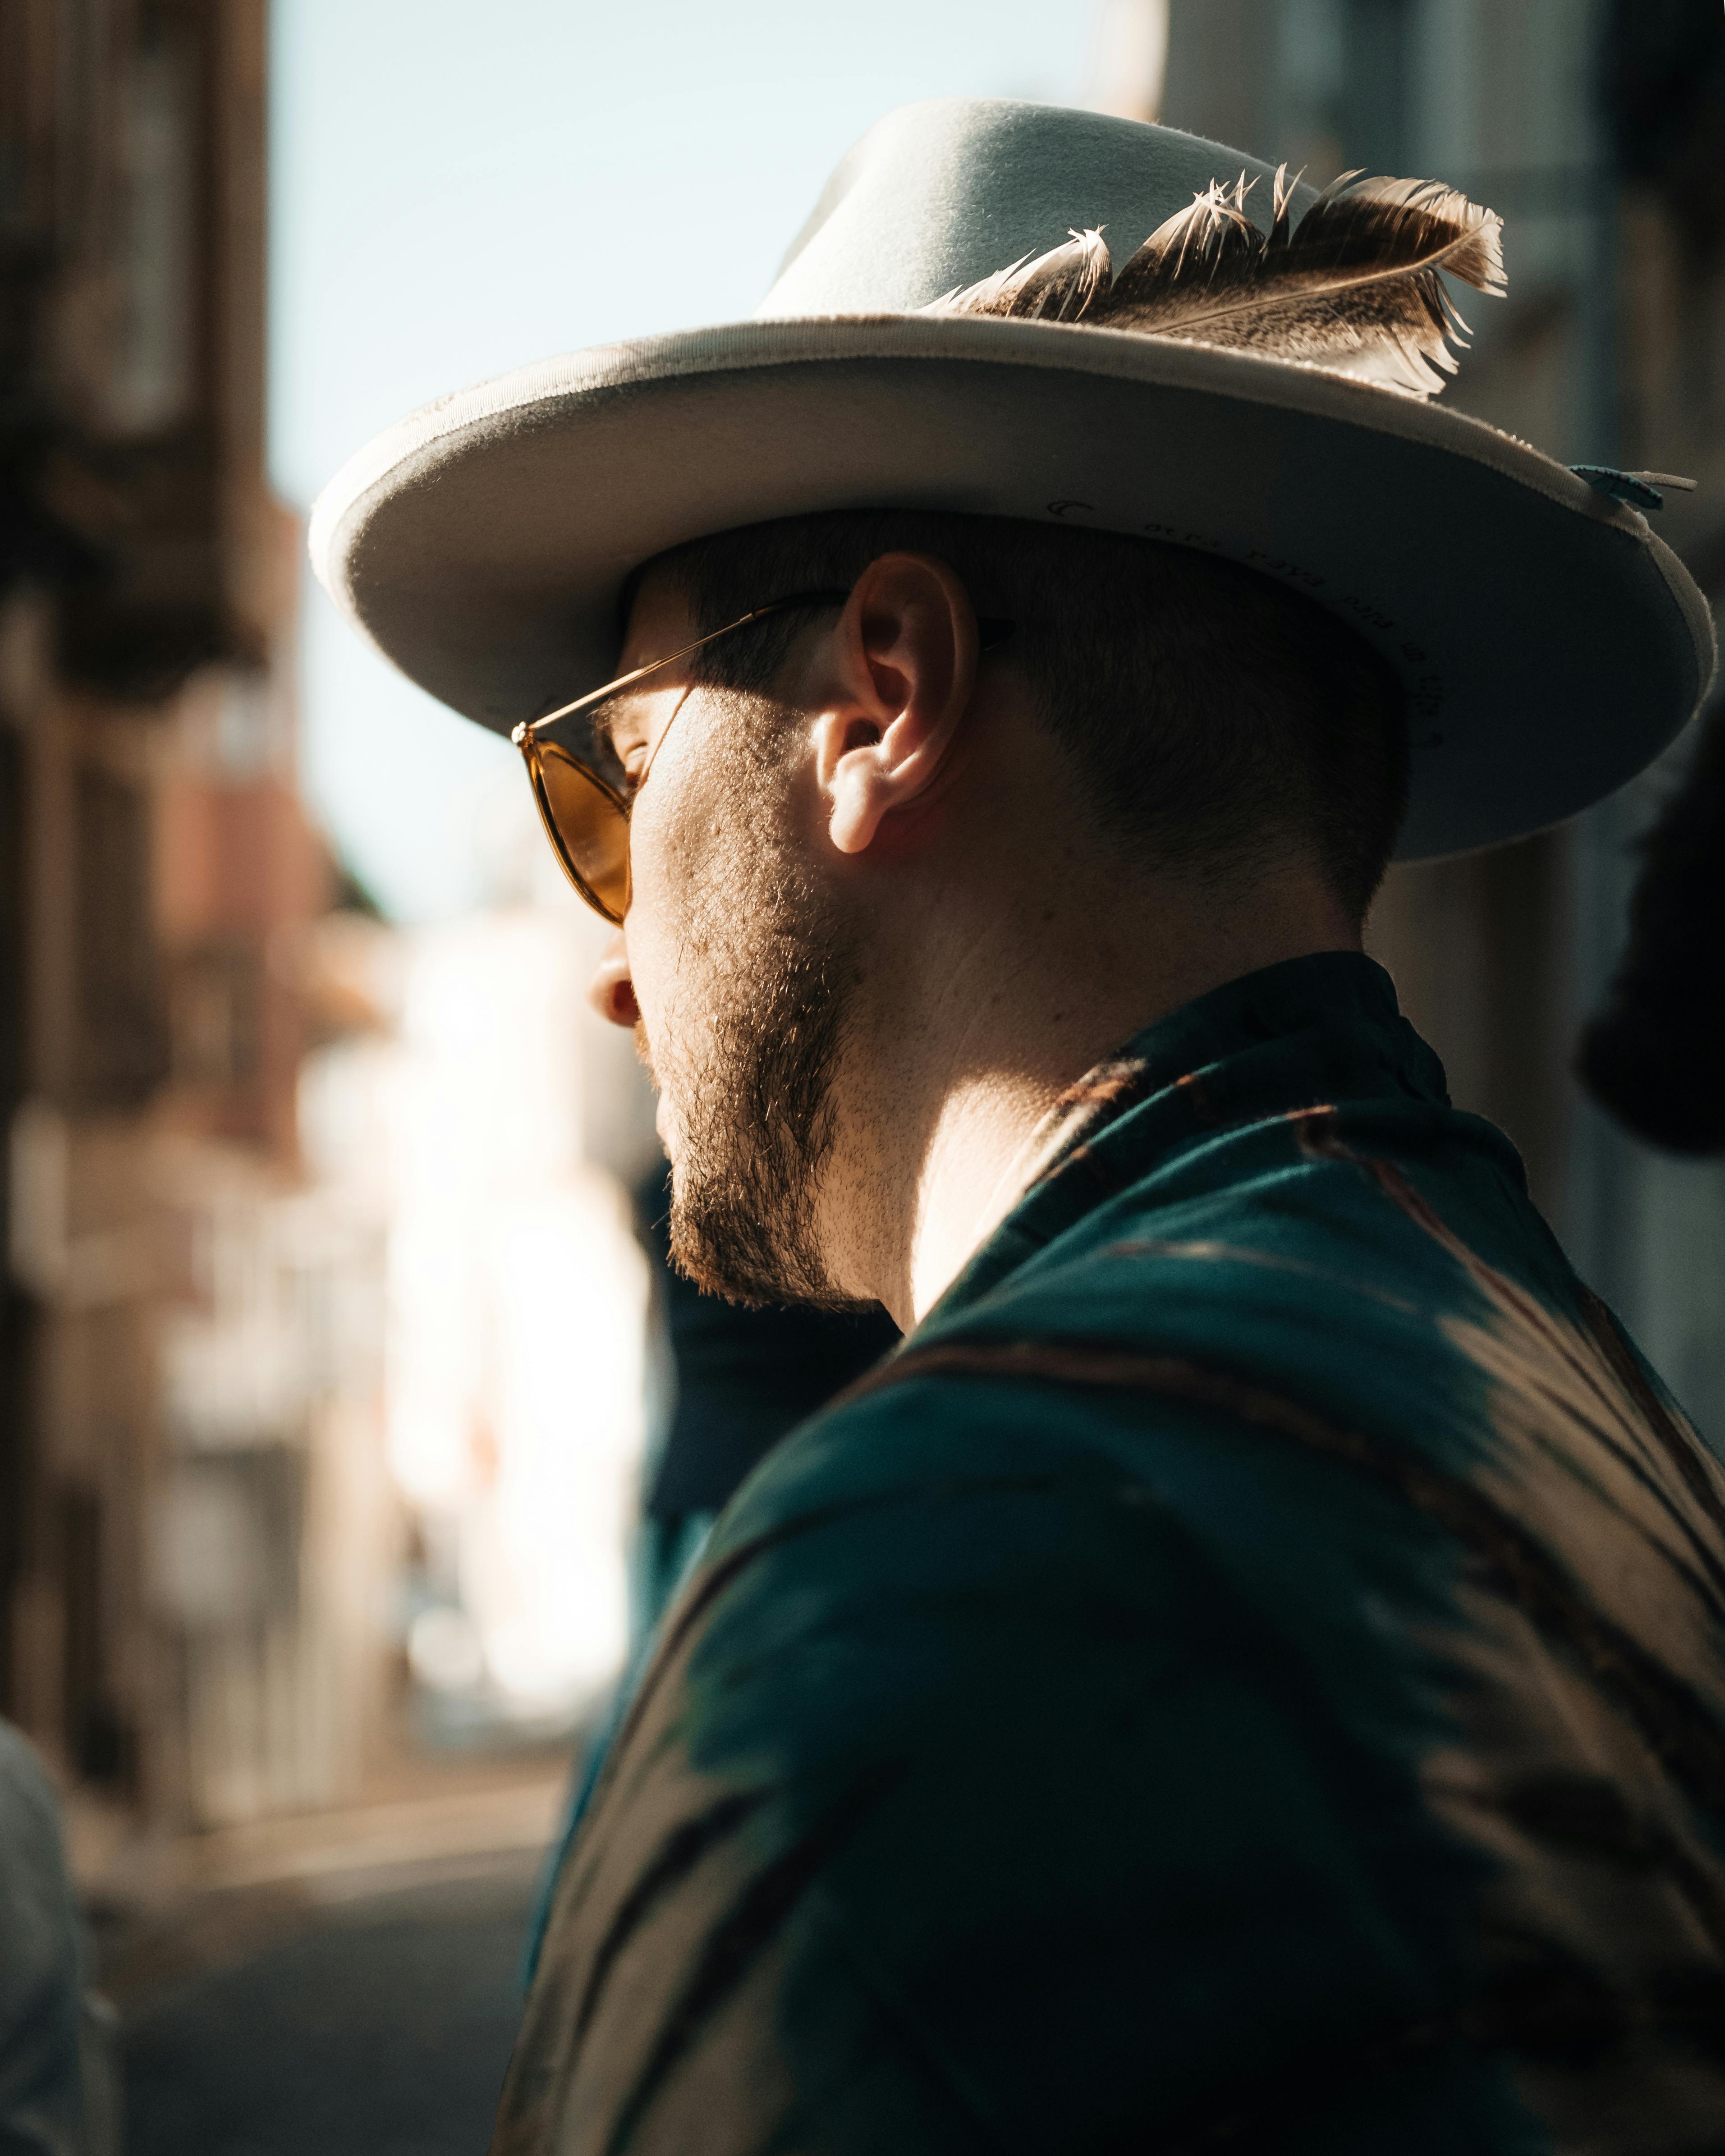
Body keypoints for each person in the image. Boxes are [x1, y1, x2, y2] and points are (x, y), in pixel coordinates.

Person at [314, 99, 1721, 2156]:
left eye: (614, 783)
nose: (611, 965)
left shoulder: (920, 1585)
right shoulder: (1608, 1424)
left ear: (883, 701)